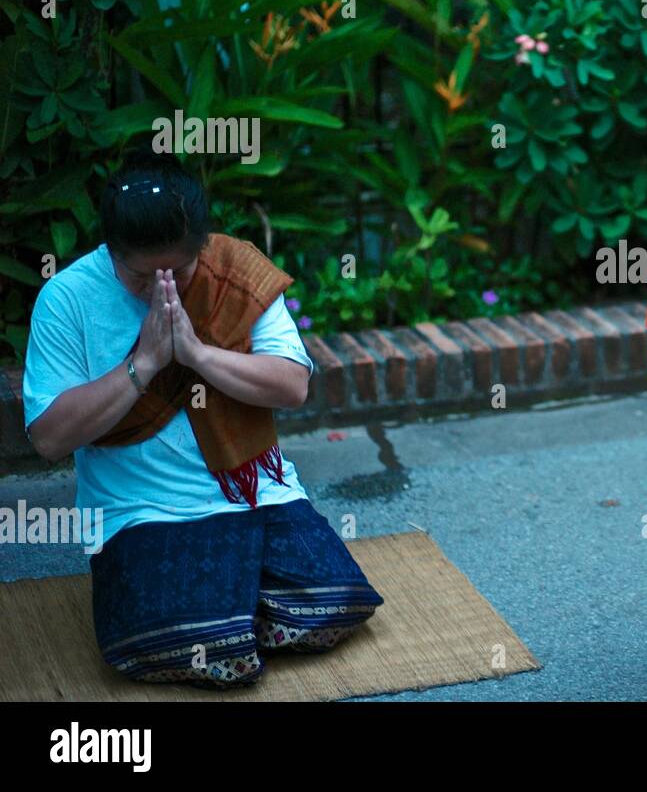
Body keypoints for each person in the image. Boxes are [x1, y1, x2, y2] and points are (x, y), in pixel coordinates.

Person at [23, 155, 383, 687]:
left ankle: (230, 608)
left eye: (180, 269)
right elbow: (49, 437)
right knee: (171, 644)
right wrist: (143, 363)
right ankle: (235, 612)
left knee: (339, 605)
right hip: (142, 508)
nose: (162, 287)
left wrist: (197, 354)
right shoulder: (67, 299)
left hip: (254, 491)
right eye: (143, 276)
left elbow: (292, 384)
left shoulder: (235, 270)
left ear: (202, 245)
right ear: (112, 252)